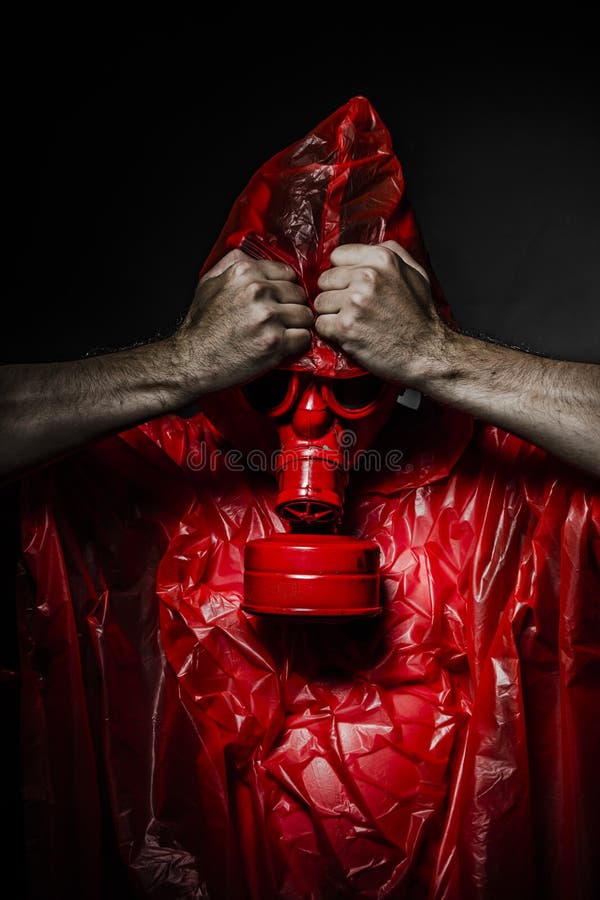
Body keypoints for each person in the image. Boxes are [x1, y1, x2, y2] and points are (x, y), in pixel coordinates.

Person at [1, 241, 599, 480]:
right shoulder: (148, 468)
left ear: (398, 384)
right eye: (269, 385)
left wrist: (439, 356)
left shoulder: (485, 475)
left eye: (353, 386)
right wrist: (178, 364)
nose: (310, 420)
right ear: (225, 375)